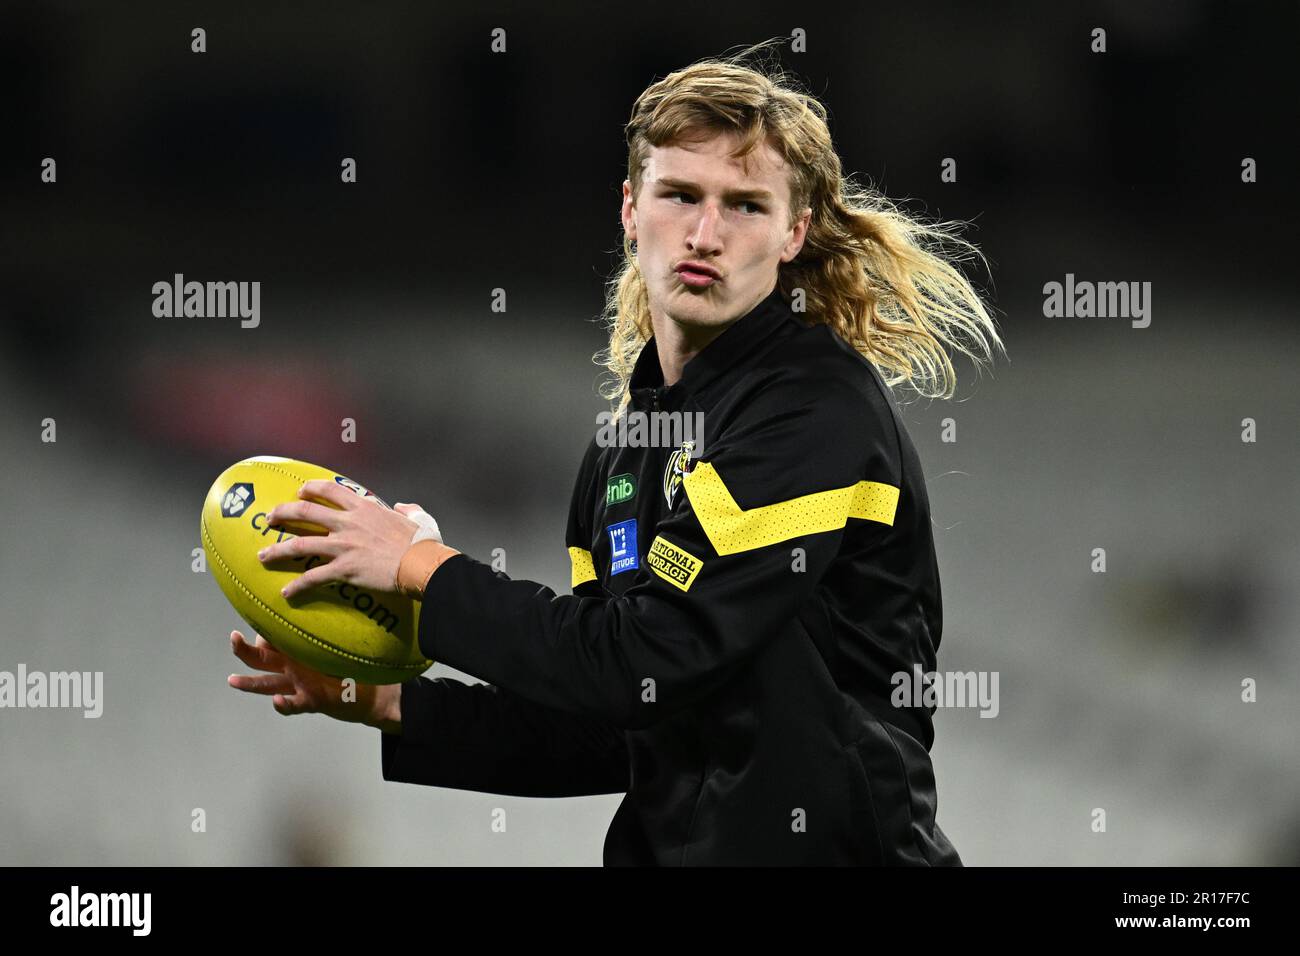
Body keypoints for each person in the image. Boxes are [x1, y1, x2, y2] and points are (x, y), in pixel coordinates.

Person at [228, 43, 1004, 865]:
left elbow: (649, 652)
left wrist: (423, 569)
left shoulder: (815, 410)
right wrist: (386, 699)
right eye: (680, 195)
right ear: (631, 209)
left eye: (745, 205)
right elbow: (618, 719)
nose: (705, 233)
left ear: (793, 234)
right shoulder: (625, 451)